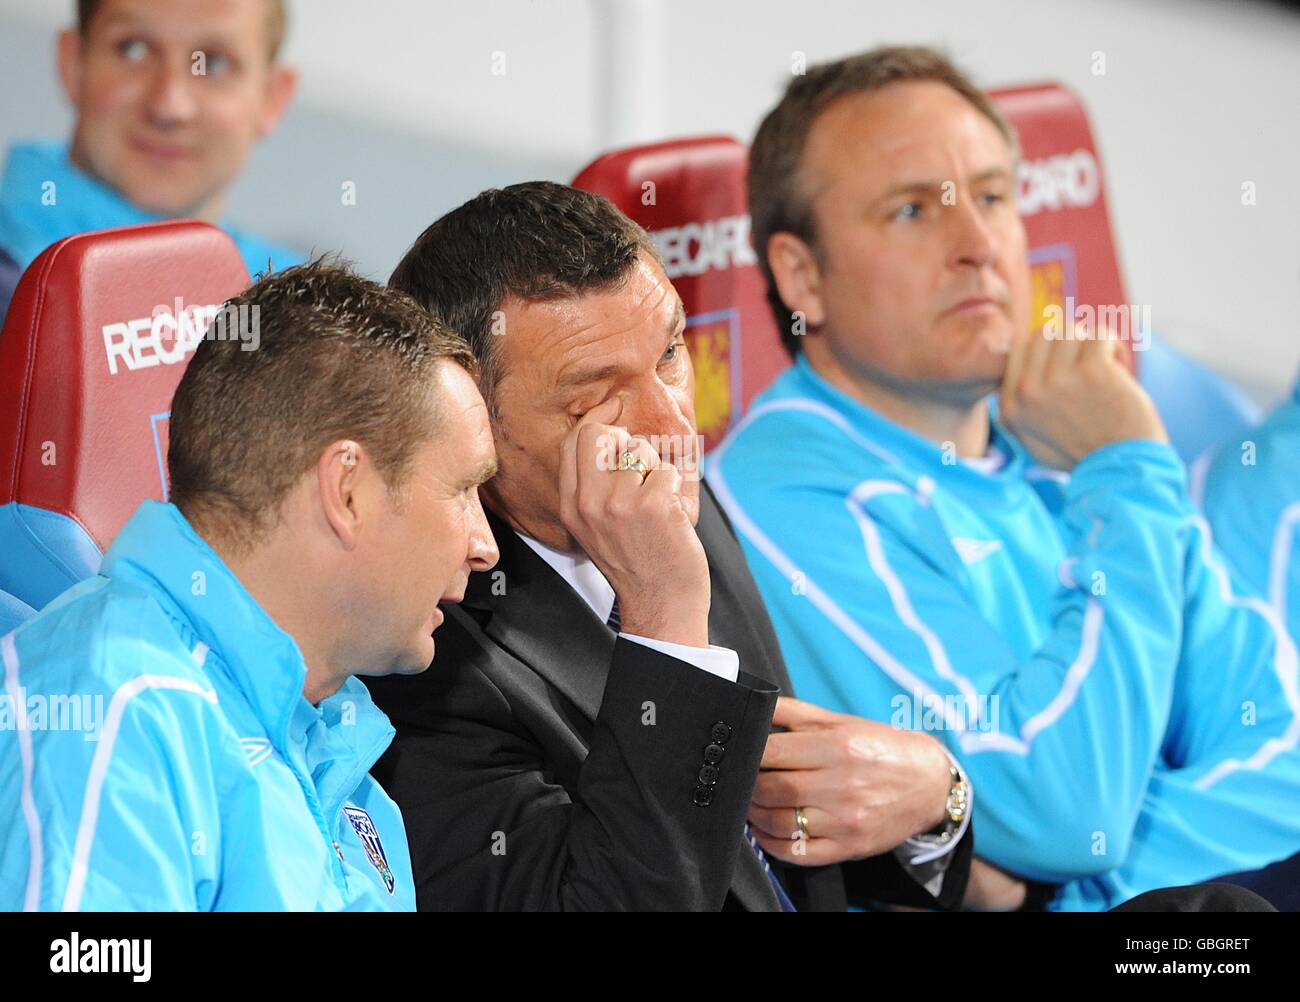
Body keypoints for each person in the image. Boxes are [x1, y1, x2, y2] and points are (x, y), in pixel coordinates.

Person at [708, 46, 1300, 911]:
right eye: (913, 210)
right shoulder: (782, 492)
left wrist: (1059, 892)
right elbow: (1067, 808)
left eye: (991, 198)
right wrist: (1126, 468)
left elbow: (1280, 740)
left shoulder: (1066, 434)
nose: (977, 245)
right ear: (804, 277)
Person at [365, 181, 976, 912]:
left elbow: (765, 852)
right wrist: (665, 618)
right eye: (593, 400)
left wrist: (935, 806)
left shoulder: (674, 495)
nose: (672, 426)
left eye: (670, 354)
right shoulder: (421, 656)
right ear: (473, 425)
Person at [0, 261, 499, 910]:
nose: (485, 546)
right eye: (462, 490)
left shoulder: (328, 725)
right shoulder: (115, 719)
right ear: (347, 492)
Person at [0, 0, 300, 323]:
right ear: (72, 63)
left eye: (213, 63)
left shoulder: (299, 309)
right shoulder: (13, 274)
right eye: (133, 49)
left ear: (272, 98)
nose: (169, 106)